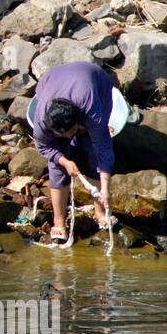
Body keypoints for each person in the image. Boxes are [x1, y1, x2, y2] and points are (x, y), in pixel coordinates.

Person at [31, 60, 115, 241]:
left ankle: (100, 213)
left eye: (72, 131)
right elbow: (43, 145)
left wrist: (105, 188)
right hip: (51, 79)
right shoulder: (42, 121)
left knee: (92, 151)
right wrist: (64, 161)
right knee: (56, 166)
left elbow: (103, 148)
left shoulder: (91, 109)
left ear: (80, 120)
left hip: (95, 81)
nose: (69, 136)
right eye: (64, 134)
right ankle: (59, 220)